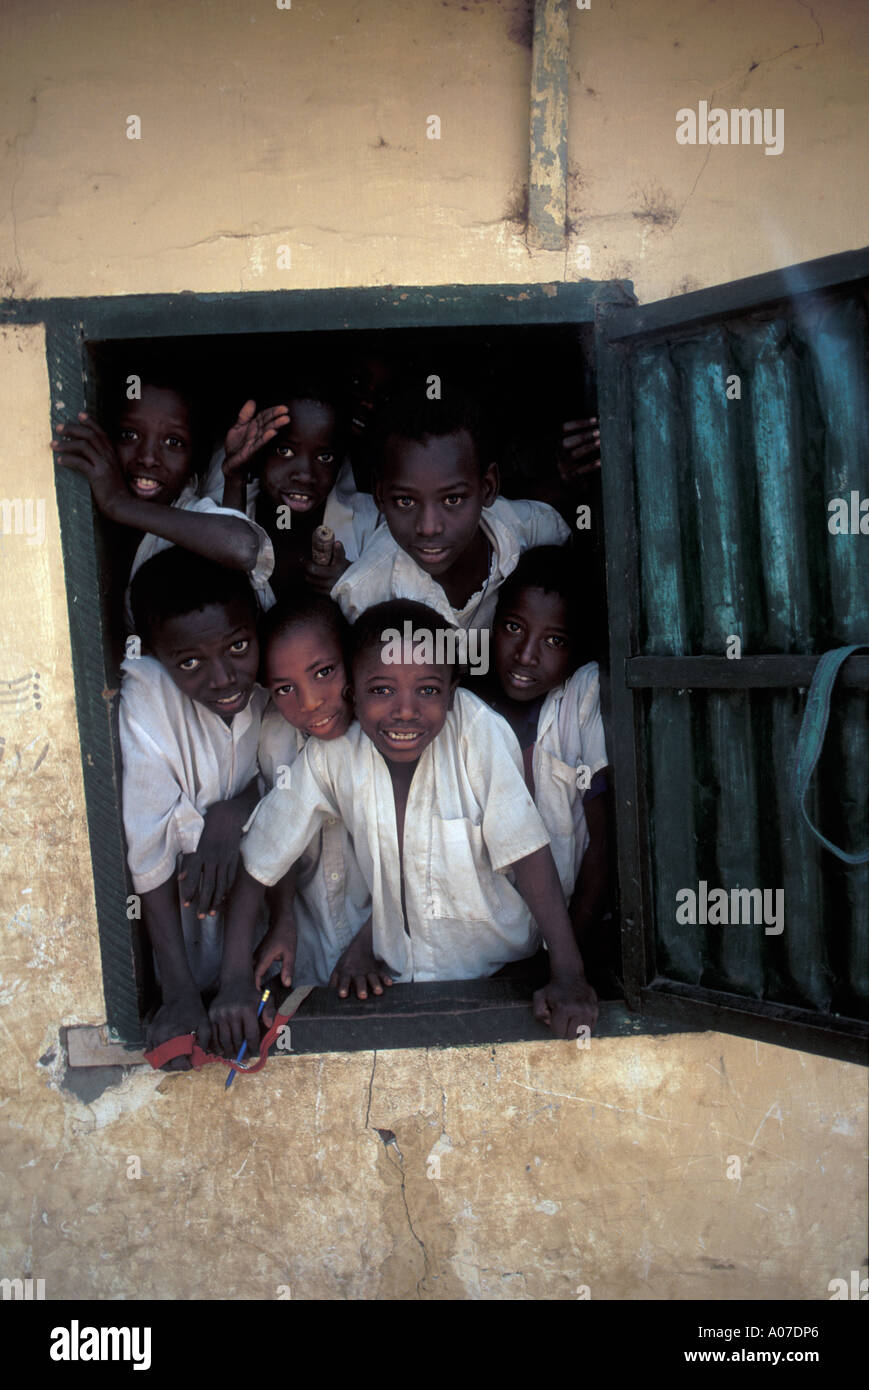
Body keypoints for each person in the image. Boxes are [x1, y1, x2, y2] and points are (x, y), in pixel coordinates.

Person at [209, 599, 598, 1058]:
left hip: (505, 971)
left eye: (428, 691)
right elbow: (261, 857)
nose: (405, 712)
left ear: (453, 693)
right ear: (353, 691)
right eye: (381, 690)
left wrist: (568, 971)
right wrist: (233, 980)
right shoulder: (333, 756)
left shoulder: (475, 733)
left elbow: (527, 852)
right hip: (402, 980)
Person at [120, 548, 269, 1069]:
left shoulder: (275, 684)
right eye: (190, 663)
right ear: (159, 658)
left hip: (265, 945)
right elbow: (150, 843)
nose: (224, 677)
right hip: (179, 941)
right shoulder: (148, 695)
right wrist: (179, 993)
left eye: (238, 646)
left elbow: (294, 786)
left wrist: (236, 812)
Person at [330, 392, 570, 631]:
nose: (428, 527)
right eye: (405, 501)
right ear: (380, 496)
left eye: (452, 499)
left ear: (488, 488)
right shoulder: (363, 596)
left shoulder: (539, 531)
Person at [52, 373, 276, 619]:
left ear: (195, 461)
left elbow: (243, 548)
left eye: (173, 442)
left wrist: (119, 504)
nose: (148, 457)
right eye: (129, 435)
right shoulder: (86, 509)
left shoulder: (190, 513)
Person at [484, 546, 610, 957]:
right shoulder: (466, 710)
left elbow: (601, 849)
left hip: (567, 936)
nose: (526, 654)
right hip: (482, 946)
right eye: (513, 628)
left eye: (553, 640)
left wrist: (565, 957)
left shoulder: (580, 701)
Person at [249, 594, 372, 993]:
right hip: (309, 941)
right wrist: (281, 916)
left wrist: (372, 942)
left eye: (324, 672)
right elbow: (275, 838)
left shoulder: (387, 735)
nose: (311, 701)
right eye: (285, 688)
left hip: (389, 947)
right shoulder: (271, 737)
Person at [216, 381, 380, 602]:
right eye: (285, 451)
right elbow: (221, 588)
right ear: (258, 451)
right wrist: (234, 478)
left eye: (325, 457)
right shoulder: (217, 507)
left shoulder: (369, 524)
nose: (305, 475)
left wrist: (354, 583)